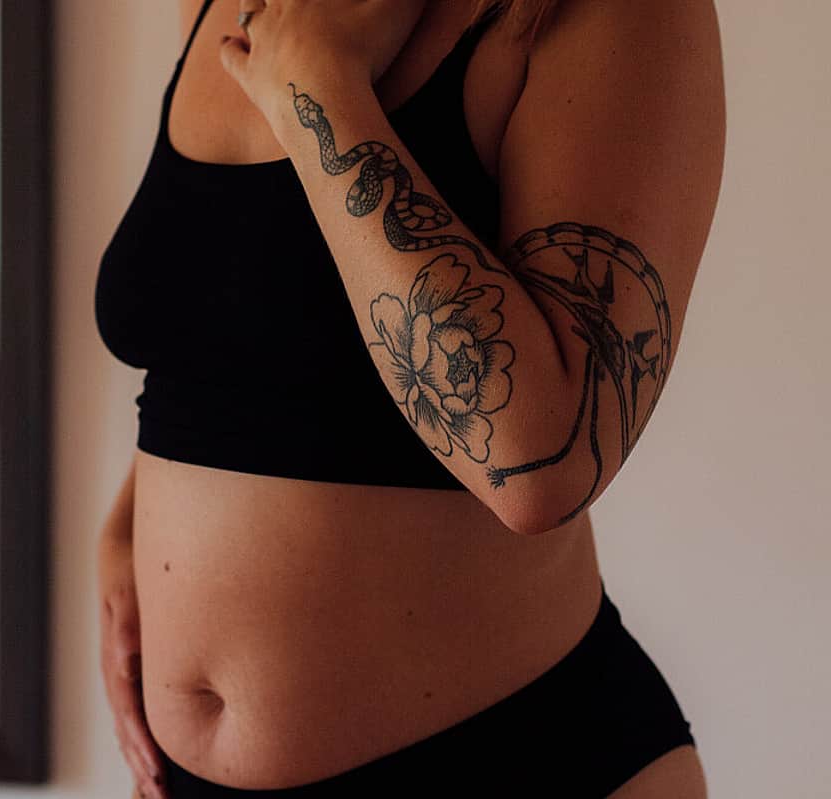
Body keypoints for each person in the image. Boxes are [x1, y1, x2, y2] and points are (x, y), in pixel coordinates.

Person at [94, 0, 724, 795]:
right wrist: (126, 522)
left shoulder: (611, 16)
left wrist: (316, 89)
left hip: (508, 753)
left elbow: (539, 466)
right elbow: (235, 320)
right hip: (175, 774)